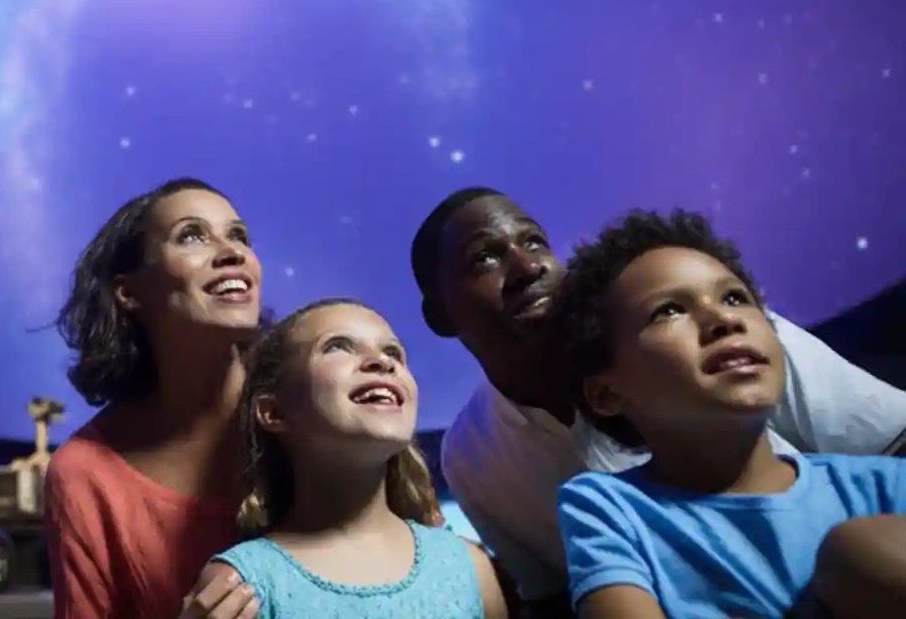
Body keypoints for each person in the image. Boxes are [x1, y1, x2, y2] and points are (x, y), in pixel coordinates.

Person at [410, 188, 906, 611]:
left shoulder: (737, 344)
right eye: (484, 259)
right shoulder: (473, 459)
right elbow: (551, 599)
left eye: (534, 241)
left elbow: (890, 439)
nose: (527, 265)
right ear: (439, 316)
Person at [553, 209, 906, 617]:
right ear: (606, 393)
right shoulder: (610, 509)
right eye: (668, 310)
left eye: (735, 298)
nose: (723, 319)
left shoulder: (886, 486)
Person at [196, 298, 509, 618]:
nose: (382, 362)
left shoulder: (470, 569)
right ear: (274, 412)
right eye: (338, 347)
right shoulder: (241, 587)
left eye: (393, 353)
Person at [44, 178, 265, 619]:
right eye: (192, 235)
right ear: (128, 293)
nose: (231, 252)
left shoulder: (314, 412)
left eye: (238, 235)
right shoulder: (85, 475)